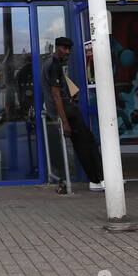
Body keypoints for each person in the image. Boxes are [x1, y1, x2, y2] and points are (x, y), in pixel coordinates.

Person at [41, 36, 105, 191]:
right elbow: (55, 94)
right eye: (64, 48)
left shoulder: (52, 63)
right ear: (57, 48)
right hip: (65, 110)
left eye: (69, 49)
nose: (67, 52)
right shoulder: (54, 65)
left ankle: (98, 178)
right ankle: (98, 179)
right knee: (86, 144)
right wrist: (65, 121)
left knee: (87, 142)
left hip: (65, 107)